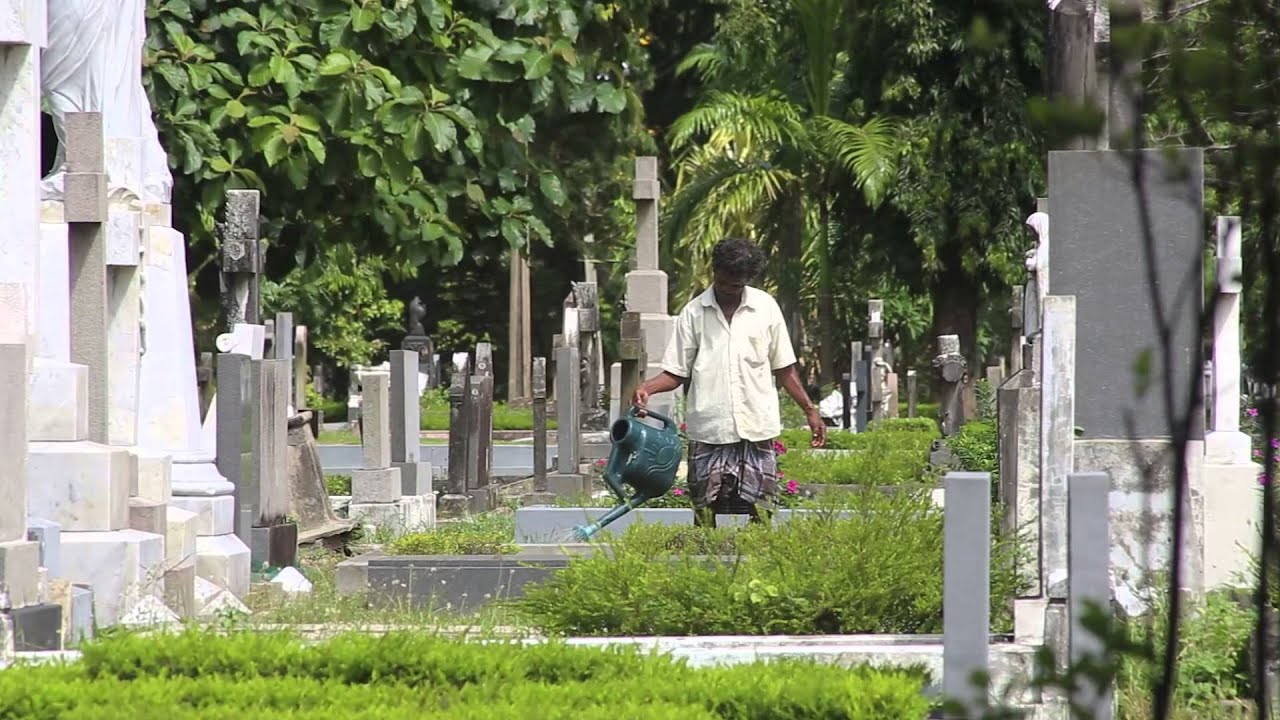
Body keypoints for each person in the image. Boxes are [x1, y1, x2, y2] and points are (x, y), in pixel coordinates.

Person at [631, 238, 827, 526]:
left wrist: (810, 410)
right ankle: (703, 560)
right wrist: (646, 389)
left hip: (756, 426)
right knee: (704, 505)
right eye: (722, 282)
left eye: (735, 285)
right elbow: (675, 373)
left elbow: (784, 368)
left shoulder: (766, 308)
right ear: (715, 272)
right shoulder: (694, 313)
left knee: (761, 506)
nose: (727, 289)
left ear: (748, 280)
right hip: (710, 427)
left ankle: (757, 558)